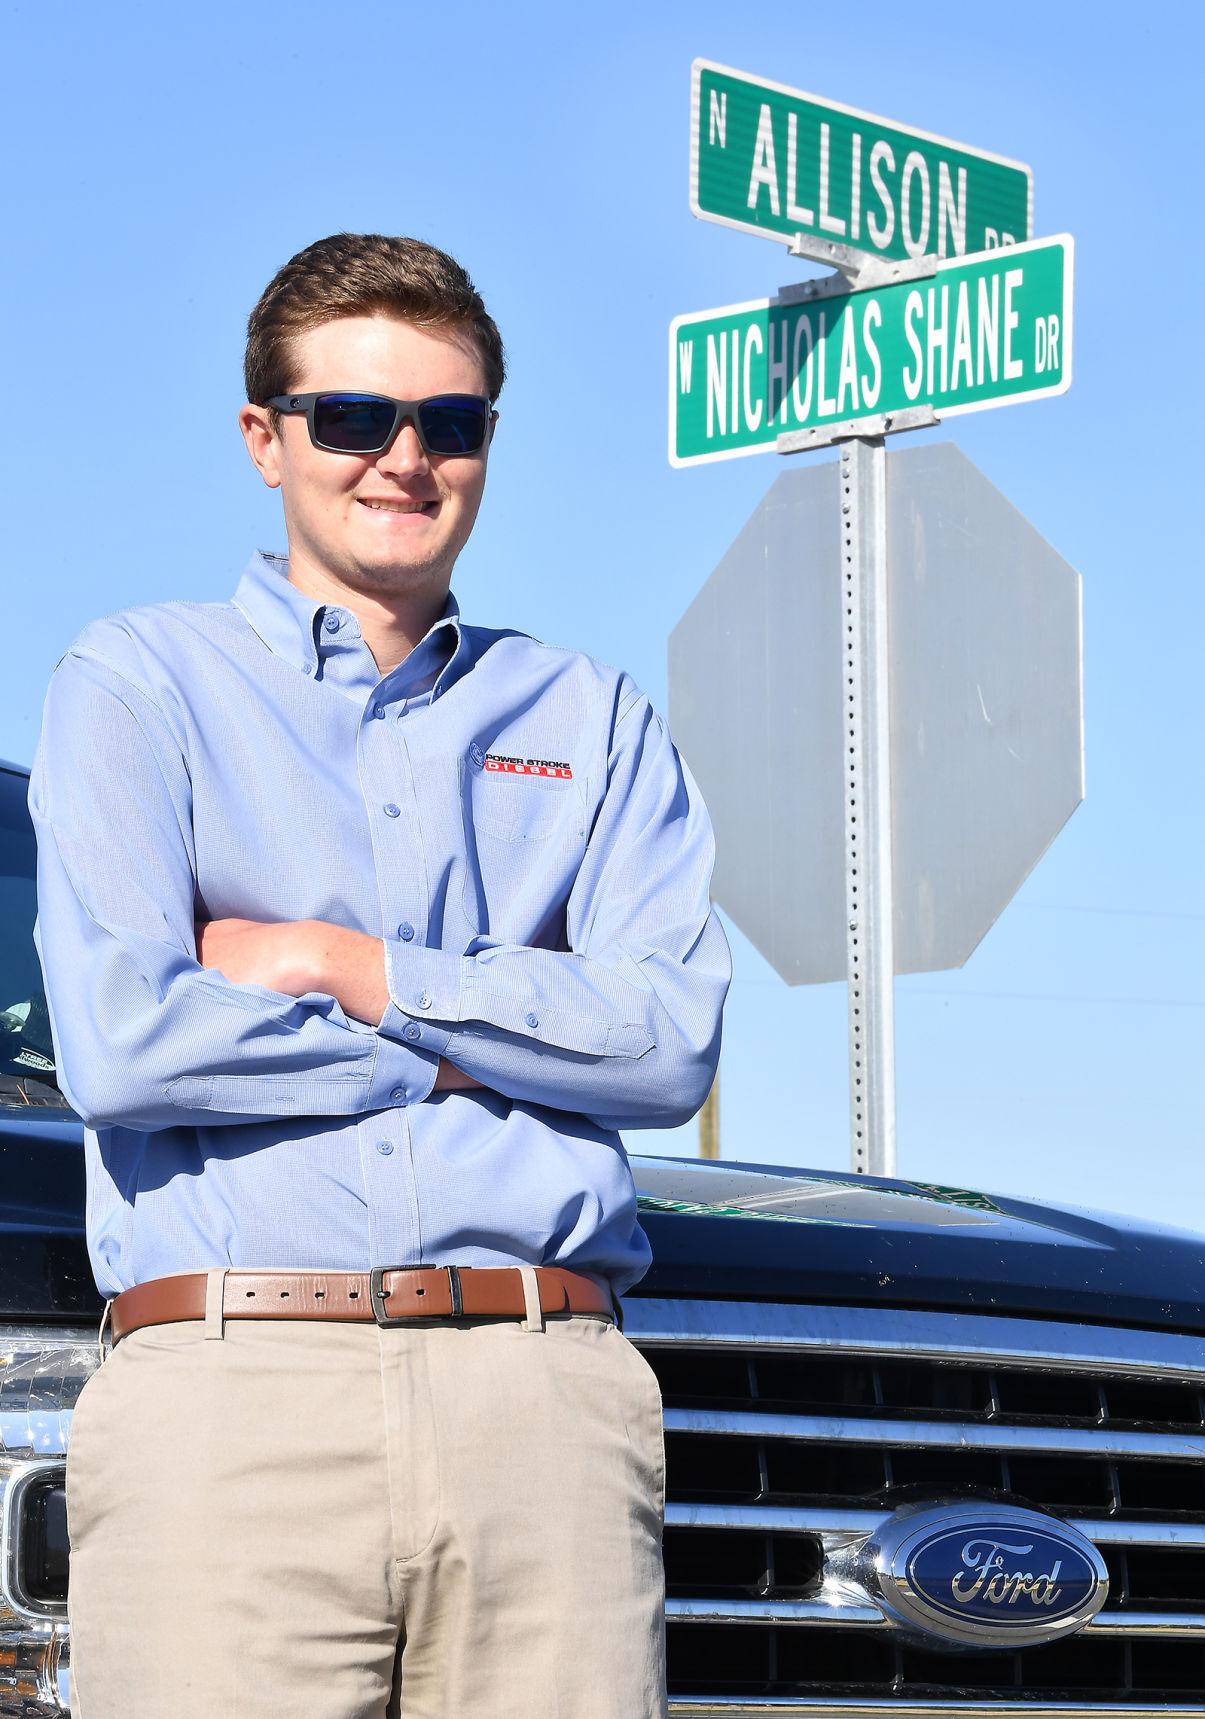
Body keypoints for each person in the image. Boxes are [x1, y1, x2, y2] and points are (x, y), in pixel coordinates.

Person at [29, 231, 730, 1719]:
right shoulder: (140, 685)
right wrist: (502, 1028)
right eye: (352, 417)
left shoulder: (588, 716)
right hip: (233, 1394)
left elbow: (666, 1050)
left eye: (448, 422)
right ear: (265, 439)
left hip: (545, 1399)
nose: (402, 458)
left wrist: (344, 969)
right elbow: (127, 1047)